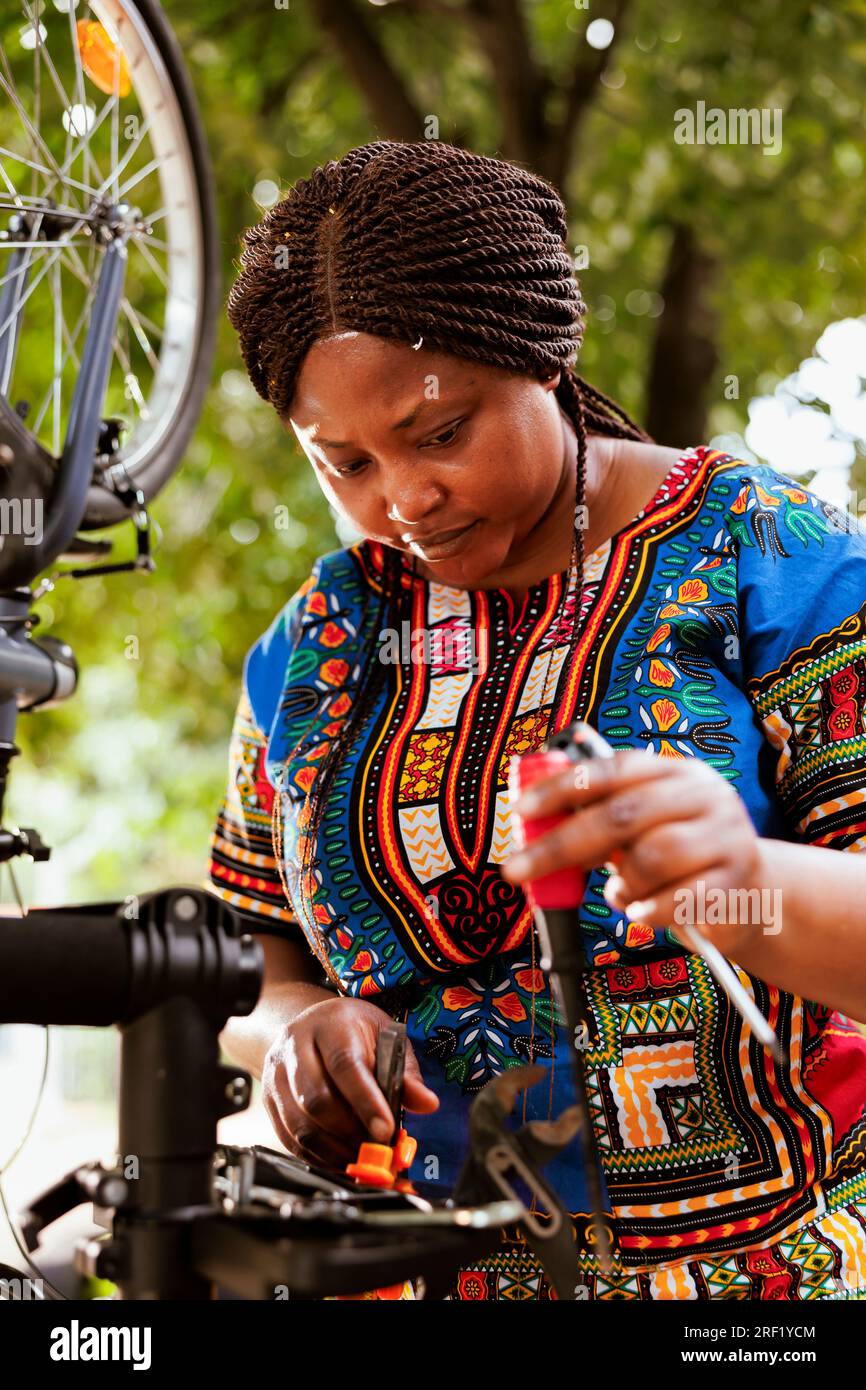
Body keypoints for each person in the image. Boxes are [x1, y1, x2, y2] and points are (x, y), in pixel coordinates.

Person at [206, 139, 866, 1301]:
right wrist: (302, 1034)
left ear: (542, 357)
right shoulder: (315, 644)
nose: (402, 498)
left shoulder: (771, 558)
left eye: (442, 431)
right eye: (343, 461)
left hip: (772, 1284)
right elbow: (245, 973)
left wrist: (732, 881)